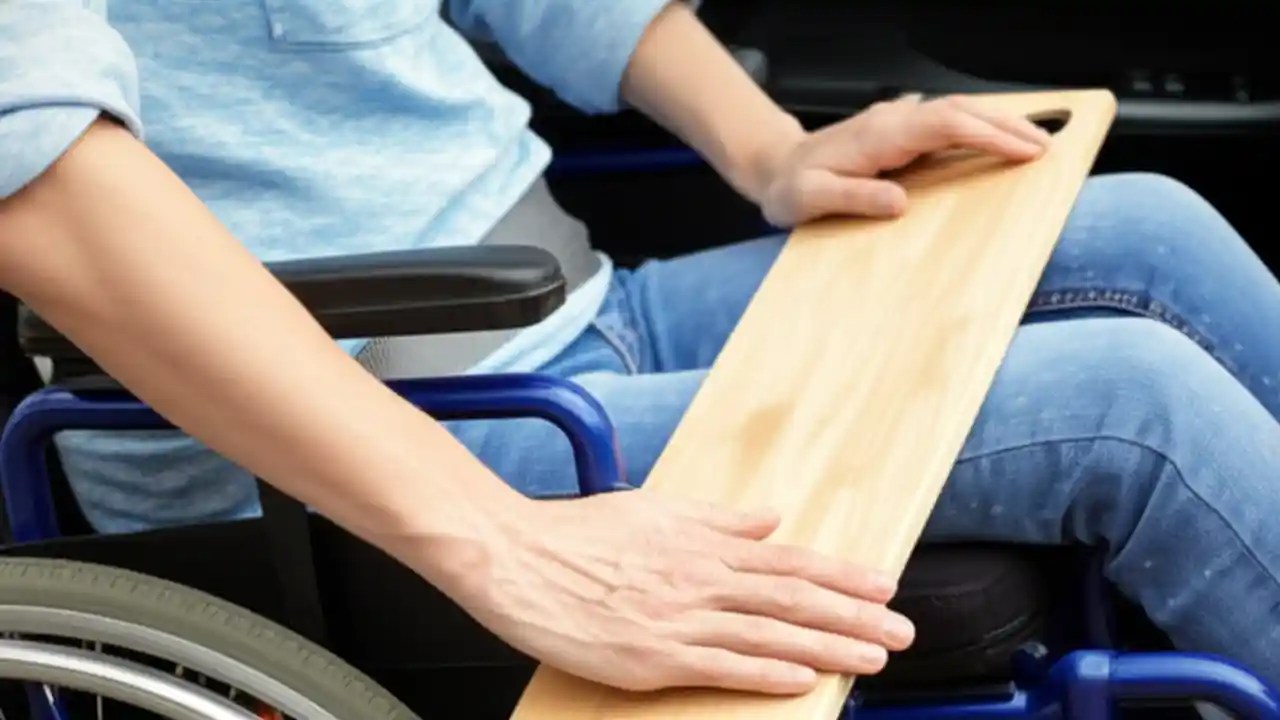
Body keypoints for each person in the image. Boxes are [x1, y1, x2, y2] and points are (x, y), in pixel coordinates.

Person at [2, 0, 1278, 697]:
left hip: (571, 305)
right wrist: (498, 540)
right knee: (1129, 402)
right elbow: (37, 175)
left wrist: (771, 149)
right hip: (359, 429)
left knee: (1142, 230)